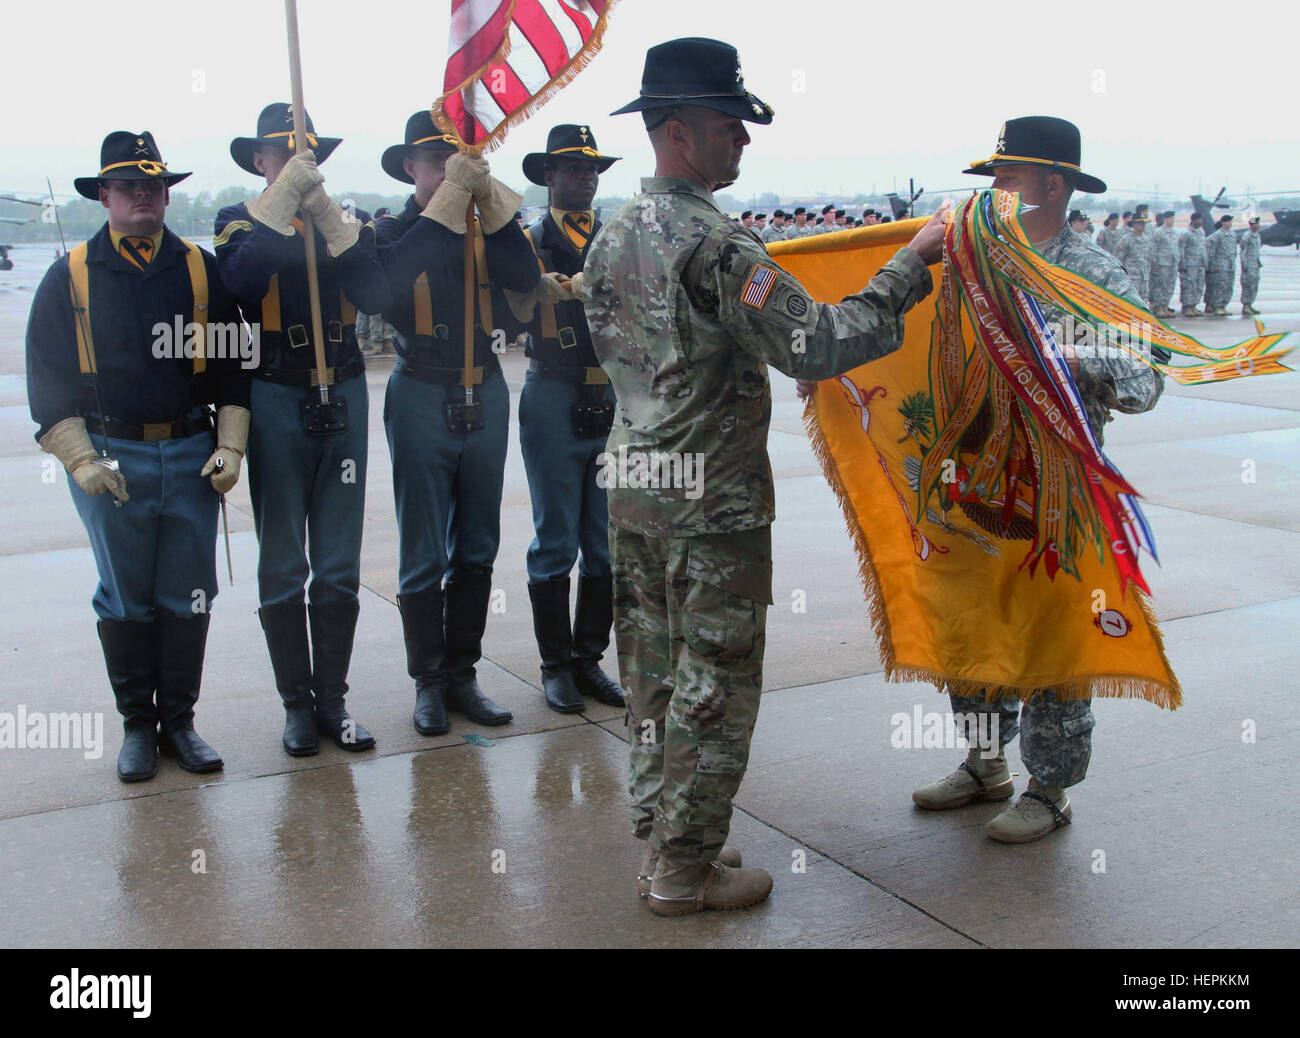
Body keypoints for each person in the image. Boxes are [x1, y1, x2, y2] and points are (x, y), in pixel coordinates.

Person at [584, 37, 945, 914]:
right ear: (677, 134)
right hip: (711, 505)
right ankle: (683, 871)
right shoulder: (715, 245)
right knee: (714, 685)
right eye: (728, 125)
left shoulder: (614, 229)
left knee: (653, 675)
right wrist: (913, 264)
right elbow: (816, 344)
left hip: (636, 487)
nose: (743, 141)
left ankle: (666, 835)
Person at [910, 115, 1166, 842]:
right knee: (975, 624)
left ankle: (1049, 787)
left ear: (1053, 185)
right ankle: (984, 762)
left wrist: (1061, 359)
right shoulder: (969, 261)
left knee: (1055, 640)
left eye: (1009, 177)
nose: (995, 190)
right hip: (976, 483)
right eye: (991, 177)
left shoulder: (1096, 274)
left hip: (1059, 491)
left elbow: (1142, 382)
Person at [26, 131, 248, 781]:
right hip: (110, 453)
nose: (143, 194)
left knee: (190, 594)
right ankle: (138, 727)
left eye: (153, 184)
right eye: (129, 185)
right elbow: (48, 378)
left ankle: (180, 723)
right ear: (104, 195)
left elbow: (234, 367)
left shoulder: (200, 268)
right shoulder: (70, 276)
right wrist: (80, 458)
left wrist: (231, 445)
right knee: (127, 598)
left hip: (188, 453)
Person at [215, 102, 389, 757]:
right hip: (277, 394)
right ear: (259, 161)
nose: (293, 163)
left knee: (339, 559)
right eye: (280, 154)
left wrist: (329, 221)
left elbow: (377, 296)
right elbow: (239, 280)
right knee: (284, 559)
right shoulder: (240, 222)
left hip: (341, 390)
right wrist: (284, 201)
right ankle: (296, 704)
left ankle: (334, 700)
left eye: (303, 155)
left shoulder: (346, 224)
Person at [376, 111, 539, 736]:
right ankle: (428, 679)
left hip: (485, 387)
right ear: (410, 167)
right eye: (433, 161)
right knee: (422, 549)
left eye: (455, 159)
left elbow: (523, 277)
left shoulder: (486, 228)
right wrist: (447, 205)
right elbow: (387, 287)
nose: (445, 169)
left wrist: (490, 201)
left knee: (477, 544)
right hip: (421, 387)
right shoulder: (392, 229)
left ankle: (463, 671)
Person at [511, 124, 627, 713]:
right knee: (555, 538)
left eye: (592, 168)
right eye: (574, 168)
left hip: (609, 399)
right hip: (553, 393)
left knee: (604, 543)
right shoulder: (529, 242)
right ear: (549, 175)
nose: (586, 177)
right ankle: (555, 666)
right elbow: (514, 304)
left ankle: (588, 660)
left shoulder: (614, 237)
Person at [1113, 212, 1152, 306]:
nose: (1143, 226)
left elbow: (1148, 258)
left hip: (1144, 276)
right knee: (1132, 301)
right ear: (1134, 224)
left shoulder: (1147, 240)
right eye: (1140, 223)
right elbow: (1118, 260)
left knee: (1144, 300)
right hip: (1131, 277)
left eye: (1144, 224)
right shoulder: (1126, 240)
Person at [1147, 210, 1180, 318]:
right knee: (1160, 286)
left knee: (1170, 286)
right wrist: (1155, 262)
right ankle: (1158, 307)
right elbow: (1153, 248)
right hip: (1162, 263)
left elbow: (1177, 247)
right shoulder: (1159, 232)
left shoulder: (1175, 232)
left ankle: (1165, 305)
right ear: (1165, 219)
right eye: (1170, 218)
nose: (1172, 220)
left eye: (1173, 218)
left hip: (1172, 263)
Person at [1204, 214, 1236, 315]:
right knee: (1220, 286)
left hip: (1230, 265)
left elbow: (1234, 250)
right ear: (1223, 223)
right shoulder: (1217, 235)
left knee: (1228, 286)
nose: (1229, 223)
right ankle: (1217, 306)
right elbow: (1212, 251)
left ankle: (1223, 305)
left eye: (1230, 221)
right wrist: (1213, 265)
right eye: (1227, 221)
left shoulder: (1233, 234)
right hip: (1220, 264)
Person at [1178, 211, 1208, 316]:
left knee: (1198, 286)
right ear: (1193, 220)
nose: (1200, 221)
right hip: (1189, 265)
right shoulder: (1186, 233)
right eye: (1198, 219)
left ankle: (1194, 306)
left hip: (1199, 265)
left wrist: (1205, 262)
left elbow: (1203, 248)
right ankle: (1187, 307)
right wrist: (1182, 264)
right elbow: (1181, 249)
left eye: (1201, 219)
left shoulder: (1201, 232)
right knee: (1188, 286)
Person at [1239, 216, 1262, 315]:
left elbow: (1256, 251)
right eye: (1255, 224)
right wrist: (1245, 265)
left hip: (1255, 265)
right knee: (1247, 285)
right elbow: (1243, 252)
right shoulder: (1246, 236)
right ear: (1251, 225)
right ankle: (1246, 306)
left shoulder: (1257, 235)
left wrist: (1258, 261)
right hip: (1248, 266)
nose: (1257, 225)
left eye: (1258, 223)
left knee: (1254, 286)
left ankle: (1250, 304)